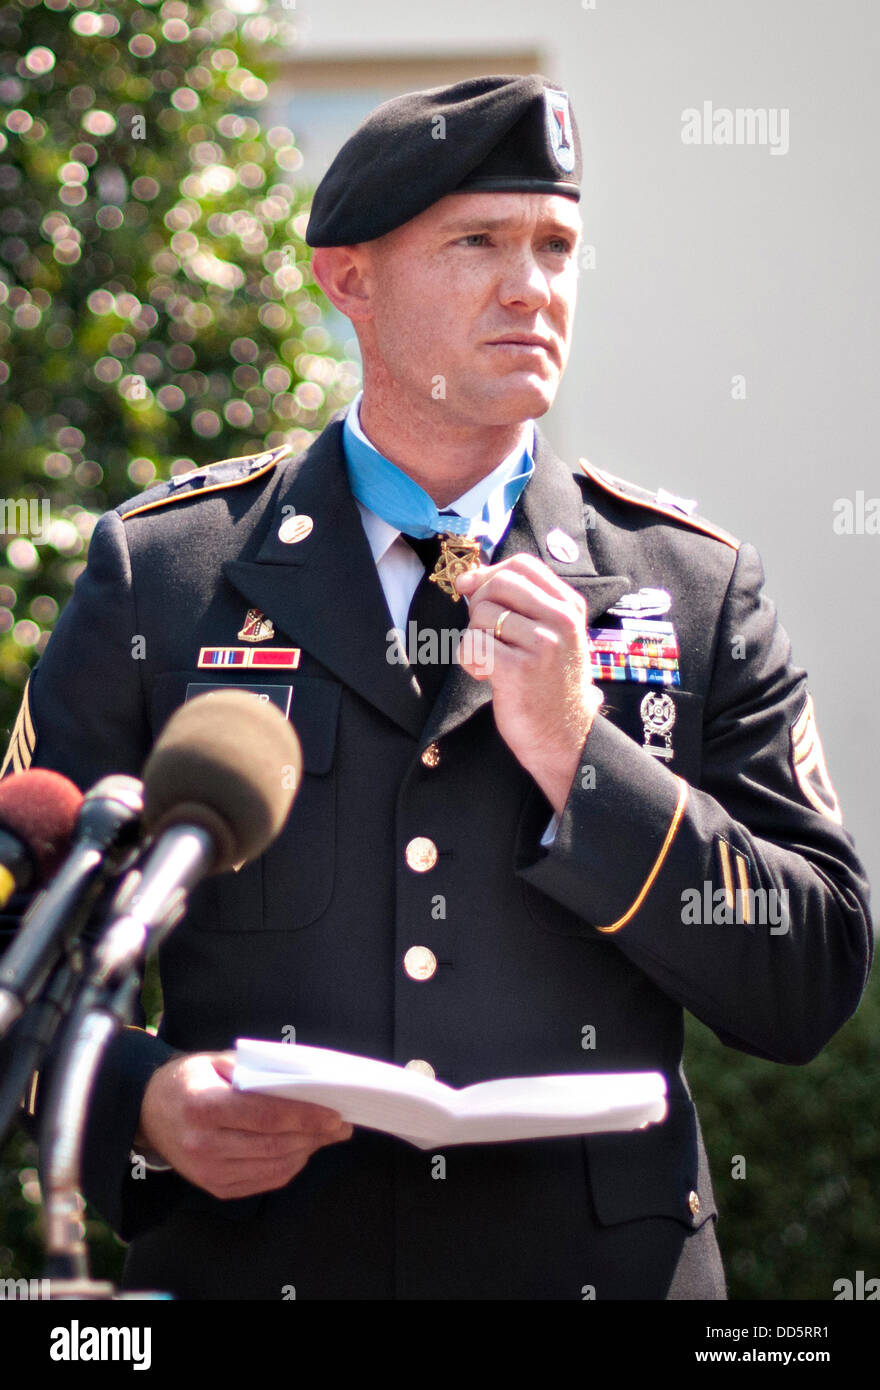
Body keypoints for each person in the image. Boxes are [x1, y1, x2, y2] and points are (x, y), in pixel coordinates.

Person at [4, 74, 872, 1300]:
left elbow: (811, 975)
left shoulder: (689, 584)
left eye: (557, 246)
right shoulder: (164, 575)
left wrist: (586, 756)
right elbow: (14, 949)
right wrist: (142, 1106)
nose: (532, 286)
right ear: (348, 281)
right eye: (478, 243)